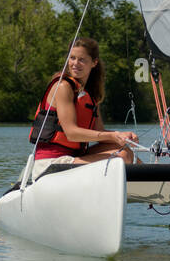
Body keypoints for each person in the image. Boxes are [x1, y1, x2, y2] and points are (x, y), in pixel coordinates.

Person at [29, 38, 137, 172]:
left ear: (94, 63)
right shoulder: (62, 87)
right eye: (72, 58)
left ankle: (151, 185)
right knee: (122, 156)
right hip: (51, 163)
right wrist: (113, 135)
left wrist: (123, 136)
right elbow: (71, 133)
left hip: (75, 157)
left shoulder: (90, 94)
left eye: (82, 60)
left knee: (126, 150)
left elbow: (100, 132)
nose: (75, 63)